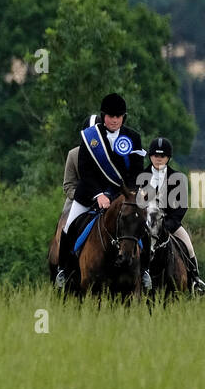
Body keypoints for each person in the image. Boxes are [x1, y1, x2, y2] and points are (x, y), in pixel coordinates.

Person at [55, 93, 145, 289]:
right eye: (110, 116)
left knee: (141, 225)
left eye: (118, 116)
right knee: (68, 228)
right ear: (103, 116)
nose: (114, 120)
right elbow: (86, 172)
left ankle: (144, 273)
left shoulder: (133, 138)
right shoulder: (90, 138)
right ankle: (64, 271)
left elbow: (136, 170)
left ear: (123, 117)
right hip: (90, 194)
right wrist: (98, 194)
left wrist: (127, 194)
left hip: (122, 195)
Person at [142, 137, 205, 294]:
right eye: (155, 156)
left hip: (170, 223)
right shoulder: (140, 176)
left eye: (162, 156)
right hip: (144, 224)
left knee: (189, 247)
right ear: (150, 156)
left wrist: (168, 225)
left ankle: (195, 279)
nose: (158, 159)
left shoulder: (178, 178)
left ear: (168, 158)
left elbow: (181, 207)